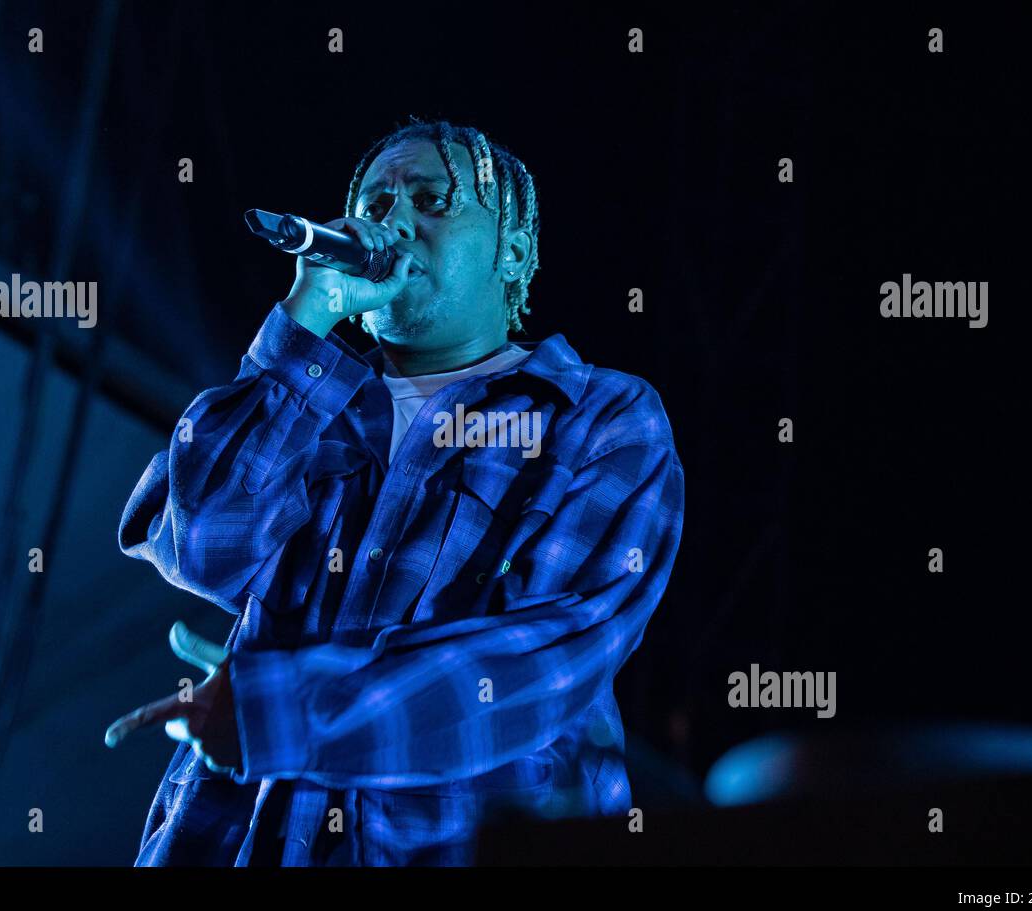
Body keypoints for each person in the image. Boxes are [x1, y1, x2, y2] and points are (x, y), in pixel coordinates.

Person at [105, 118, 685, 865]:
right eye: (376, 206)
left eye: (433, 201)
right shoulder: (310, 404)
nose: (394, 222)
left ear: (512, 252)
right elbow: (207, 546)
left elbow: (547, 656)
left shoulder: (600, 418)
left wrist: (288, 714)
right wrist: (309, 312)